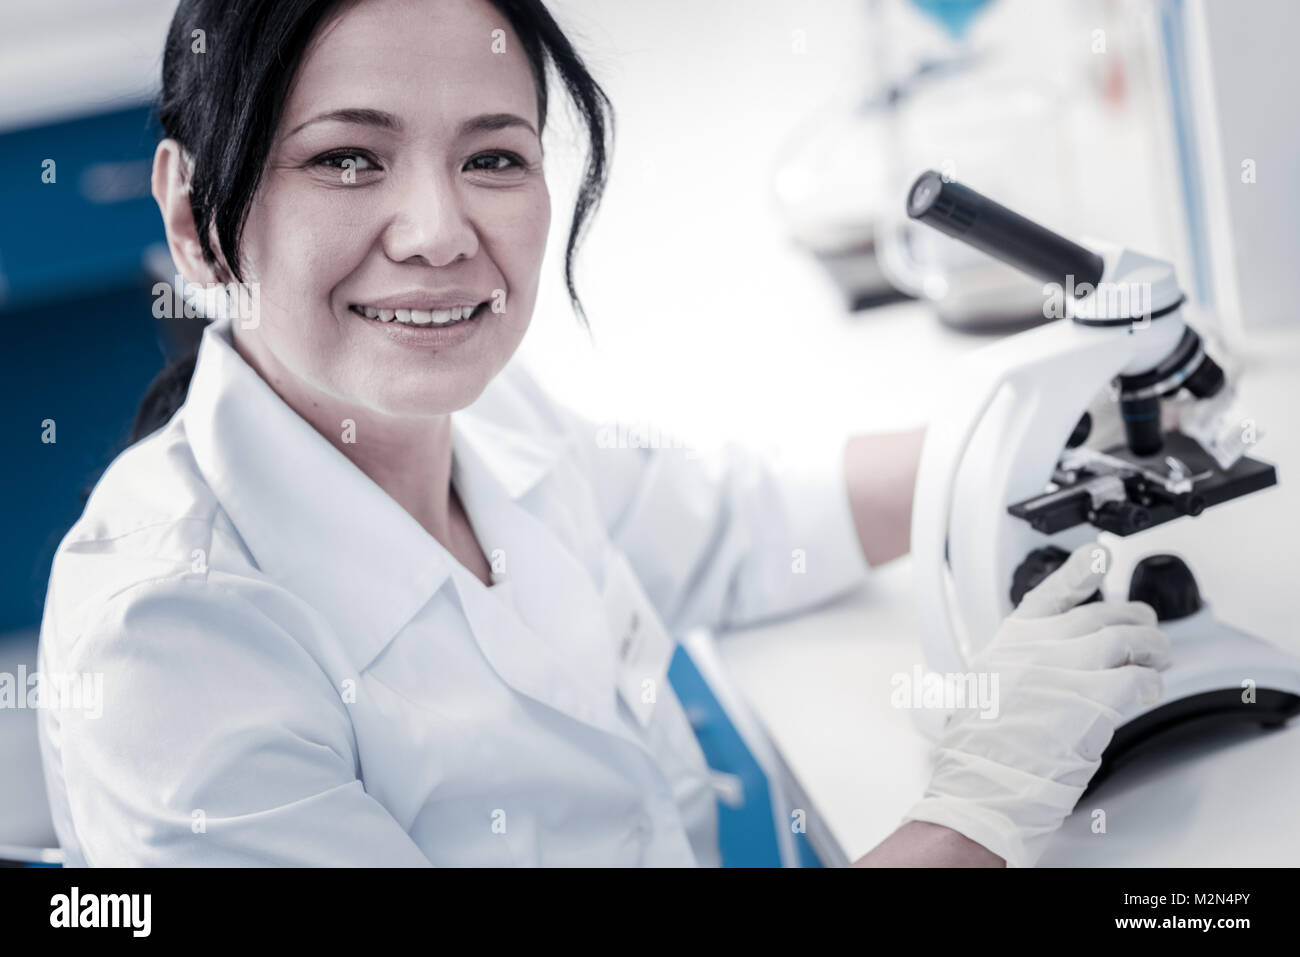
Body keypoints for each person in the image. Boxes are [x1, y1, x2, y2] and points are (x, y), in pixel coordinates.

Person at [36, 0, 1167, 868]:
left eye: (492, 157)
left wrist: (1044, 426)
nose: (439, 234)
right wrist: (974, 810)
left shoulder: (466, 407)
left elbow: (731, 526)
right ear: (192, 215)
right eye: (347, 157)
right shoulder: (171, 649)